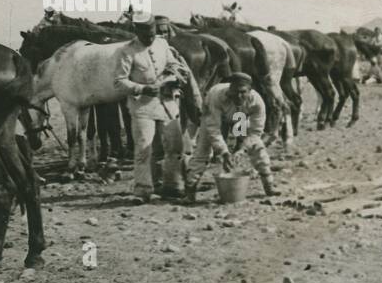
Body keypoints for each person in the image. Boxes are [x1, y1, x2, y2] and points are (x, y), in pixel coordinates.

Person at [114, 16, 186, 204]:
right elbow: (119, 82)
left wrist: (173, 74)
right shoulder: (127, 51)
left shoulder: (162, 44)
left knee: (175, 145)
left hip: (168, 102)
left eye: (152, 34)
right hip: (142, 106)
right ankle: (143, 189)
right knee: (144, 147)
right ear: (137, 32)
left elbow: (173, 64)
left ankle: (173, 184)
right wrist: (142, 88)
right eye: (146, 36)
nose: (150, 39)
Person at [184, 72, 279, 202]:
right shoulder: (217, 96)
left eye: (242, 92)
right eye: (234, 92)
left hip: (239, 116)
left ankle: (269, 185)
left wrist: (242, 149)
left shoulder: (257, 102)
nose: (238, 96)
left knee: (256, 148)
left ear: (250, 91)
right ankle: (190, 190)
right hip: (215, 114)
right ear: (229, 89)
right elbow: (214, 129)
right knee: (203, 150)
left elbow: (255, 133)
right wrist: (223, 152)